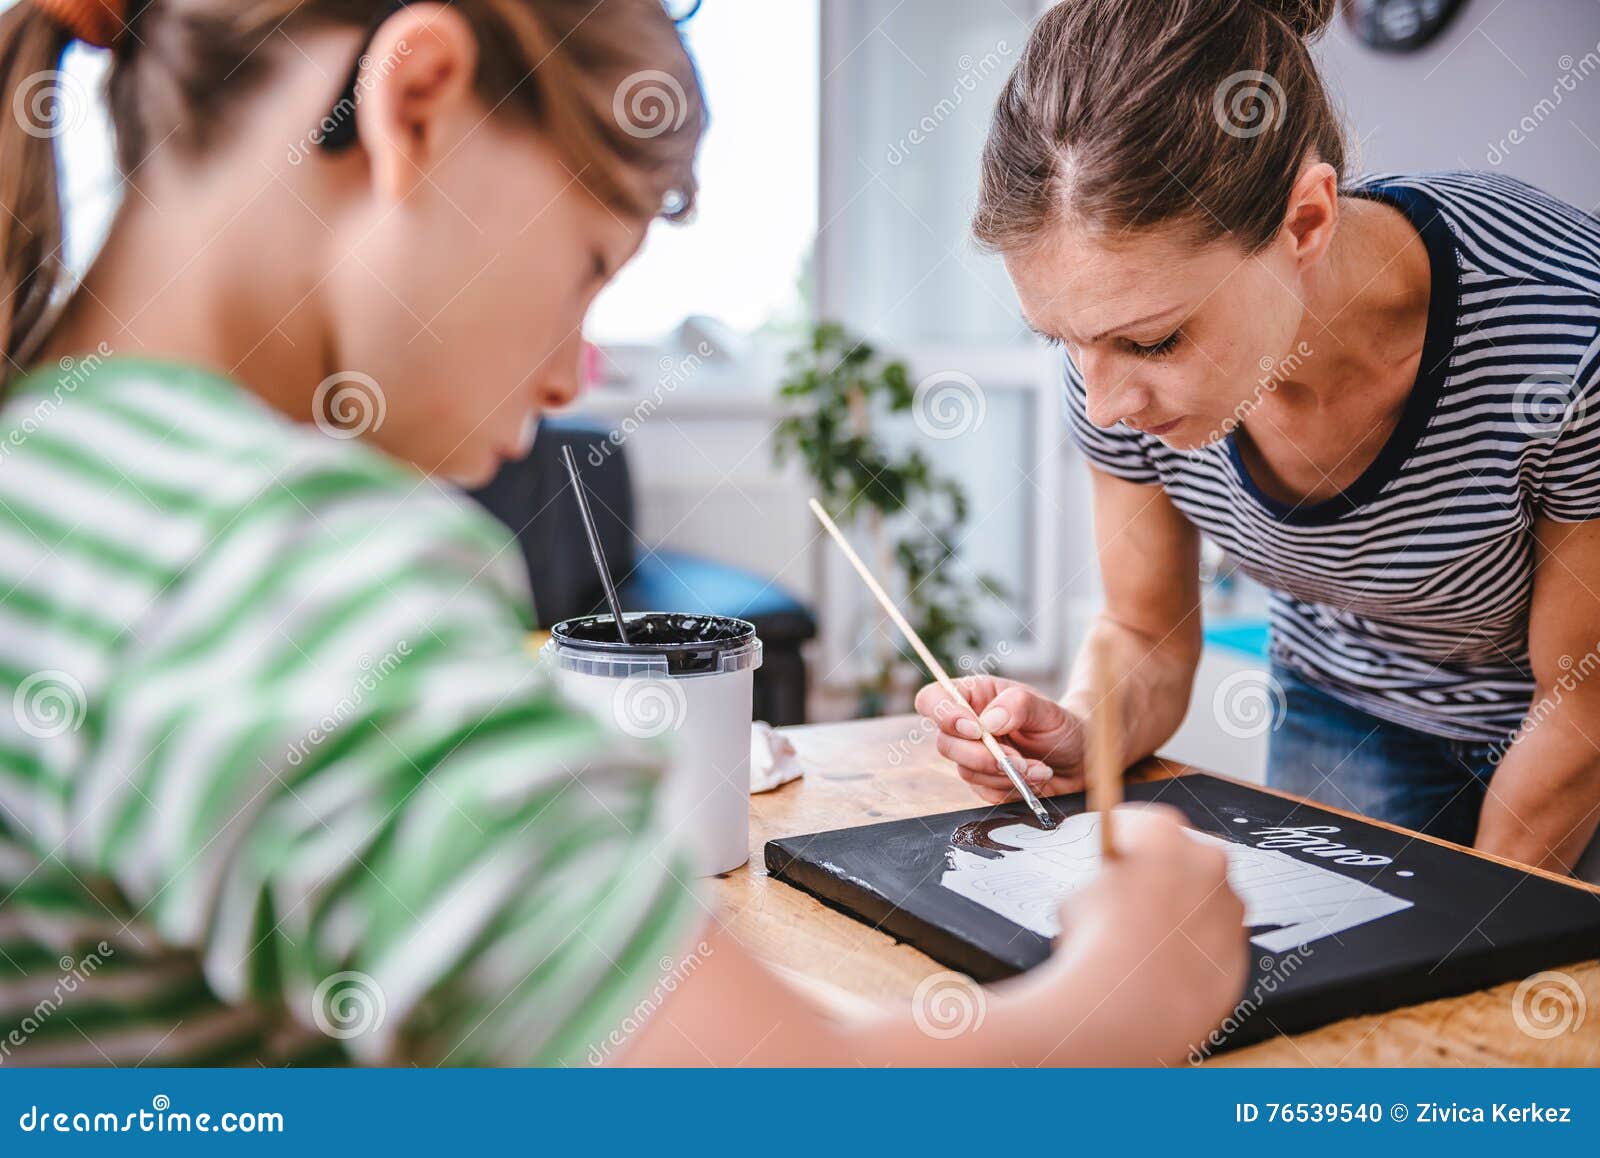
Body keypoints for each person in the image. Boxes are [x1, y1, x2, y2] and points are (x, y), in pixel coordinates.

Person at [0, 0, 1245, 1065]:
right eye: (590, 264)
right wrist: (1121, 996)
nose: (572, 373)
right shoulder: (267, 558)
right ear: (417, 103)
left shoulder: (62, 467)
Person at [917, 0, 1600, 876]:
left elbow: (1581, 708)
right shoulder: (1110, 352)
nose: (1107, 405)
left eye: (1155, 340)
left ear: (1306, 222)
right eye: (1062, 340)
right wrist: (1081, 732)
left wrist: (1482, 927)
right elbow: (1141, 630)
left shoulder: (1565, 338)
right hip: (1341, 692)